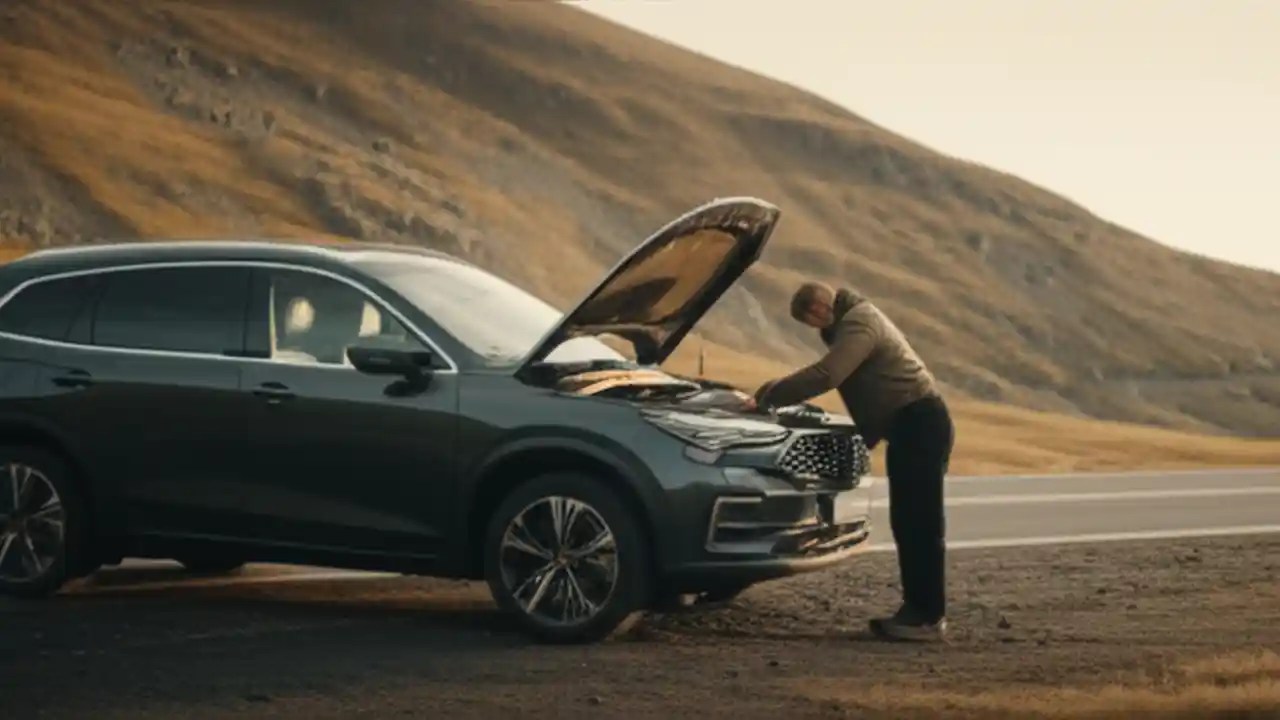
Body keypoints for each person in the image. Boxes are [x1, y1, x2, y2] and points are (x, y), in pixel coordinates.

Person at [750, 280, 954, 642]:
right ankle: (919, 611)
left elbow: (830, 374)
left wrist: (772, 394)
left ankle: (926, 616)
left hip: (920, 423)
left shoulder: (859, 322)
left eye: (812, 315)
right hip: (910, 426)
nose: (816, 323)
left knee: (920, 522)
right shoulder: (850, 320)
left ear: (822, 305)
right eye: (810, 321)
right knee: (908, 521)